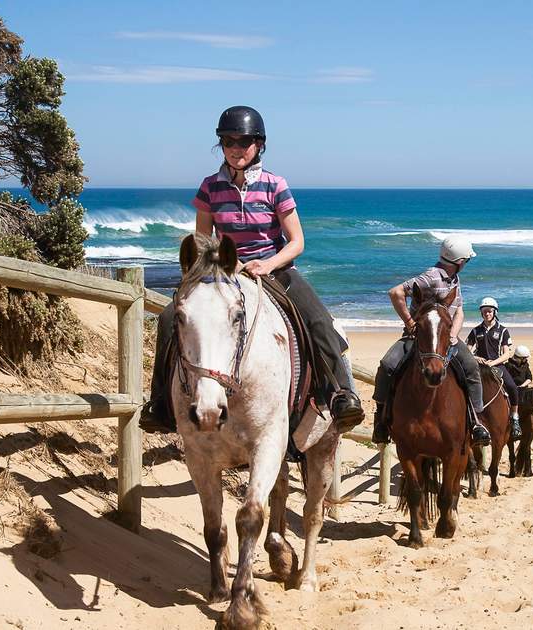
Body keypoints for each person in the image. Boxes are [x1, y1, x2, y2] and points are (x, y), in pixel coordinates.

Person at [144, 105, 363, 435]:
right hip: (225, 272)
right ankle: (160, 403)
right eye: (228, 141)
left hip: (274, 270)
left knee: (319, 320)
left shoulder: (275, 185)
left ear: (259, 144)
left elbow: (297, 241)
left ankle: (341, 394)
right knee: (167, 319)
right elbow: (204, 242)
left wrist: (269, 263)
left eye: (243, 141)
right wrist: (222, 267)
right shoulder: (209, 187)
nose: (235, 149)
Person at [370, 236, 491, 446]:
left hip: (447, 337)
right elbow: (395, 292)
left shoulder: (454, 279)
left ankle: (476, 422)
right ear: (459, 261)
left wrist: (453, 334)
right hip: (420, 337)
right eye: (466, 261)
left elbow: (459, 310)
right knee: (387, 365)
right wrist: (409, 322)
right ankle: (380, 420)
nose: (466, 264)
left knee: (471, 367)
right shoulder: (431, 277)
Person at [467, 297, 521, 439]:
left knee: (513, 388)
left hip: (498, 365)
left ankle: (515, 418)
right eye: (484, 311)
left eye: (489, 311)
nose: (487, 314)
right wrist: (476, 358)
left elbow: (507, 354)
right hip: (479, 366)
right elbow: (467, 351)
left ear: (495, 312)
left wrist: (493, 363)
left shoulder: (503, 331)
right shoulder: (475, 331)